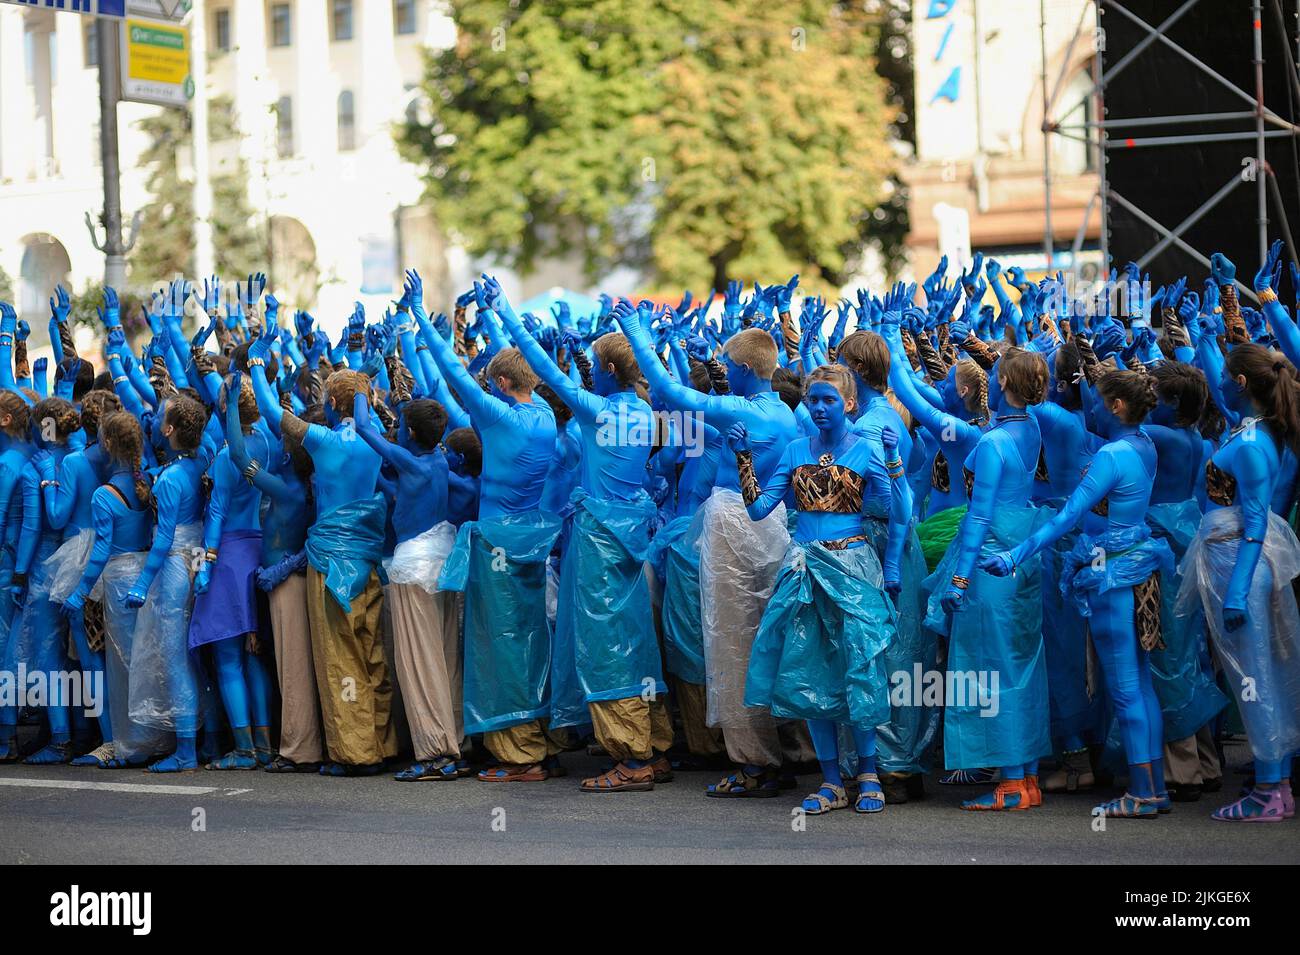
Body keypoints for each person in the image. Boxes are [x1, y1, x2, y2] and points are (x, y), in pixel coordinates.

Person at [616, 296, 803, 797]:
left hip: (734, 527)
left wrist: (637, 332)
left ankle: (755, 763)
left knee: (730, 643)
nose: (726, 372)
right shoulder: (787, 414)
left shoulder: (741, 411)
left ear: (744, 369)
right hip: (772, 524)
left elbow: (669, 391)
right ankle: (773, 754)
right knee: (765, 639)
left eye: (728, 365)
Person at [493, 282, 671, 792]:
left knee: (605, 642)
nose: (589, 369)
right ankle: (653, 747)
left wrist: (506, 313)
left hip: (599, 539)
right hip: (632, 531)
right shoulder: (644, 411)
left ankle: (632, 761)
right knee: (633, 636)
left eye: (596, 363)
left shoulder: (601, 412)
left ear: (610, 371)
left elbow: (545, 373)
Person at [984, 371, 1174, 818]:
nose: (1090, 408)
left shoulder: (1111, 455)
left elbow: (1066, 517)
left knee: (1125, 688)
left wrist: (1015, 555)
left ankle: (1143, 793)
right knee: (1141, 686)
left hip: (1113, 577)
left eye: (1099, 401)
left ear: (1118, 407)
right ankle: (1154, 787)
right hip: (1138, 567)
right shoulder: (1145, 444)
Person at [730, 364, 910, 814]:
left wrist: (892, 461)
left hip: (851, 569)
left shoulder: (866, 449)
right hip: (805, 570)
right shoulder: (794, 450)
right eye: (814, 400)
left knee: (860, 668)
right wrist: (743, 458)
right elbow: (757, 511)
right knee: (808, 671)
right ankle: (832, 781)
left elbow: (894, 509)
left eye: (830, 400)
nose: (821, 408)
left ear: (849, 403)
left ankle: (868, 773)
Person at [408, 272, 563, 782]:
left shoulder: (500, 417)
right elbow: (521, 363)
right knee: (529, 639)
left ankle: (521, 757)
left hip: (498, 542)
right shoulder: (543, 413)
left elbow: (452, 371)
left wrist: (420, 319)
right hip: (530, 541)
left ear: (498, 386)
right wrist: (498, 317)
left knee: (501, 644)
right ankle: (536, 739)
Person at [247, 332, 396, 776]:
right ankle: (381, 745)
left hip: (331, 562)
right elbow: (375, 390)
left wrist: (256, 366)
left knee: (340, 658)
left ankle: (355, 753)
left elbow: (275, 414)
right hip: (366, 559)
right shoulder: (377, 437)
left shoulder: (324, 442)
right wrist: (371, 367)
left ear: (331, 404)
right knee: (371, 653)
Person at [926, 344, 1054, 812]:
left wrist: (958, 580)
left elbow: (978, 518)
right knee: (1021, 666)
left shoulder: (993, 443)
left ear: (1002, 383)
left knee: (990, 670)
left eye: (994, 371)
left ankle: (1012, 784)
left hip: (990, 565)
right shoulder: (1031, 428)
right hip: (1023, 556)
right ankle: (1026, 777)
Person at [1177, 337, 1300, 822]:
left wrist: (1237, 589)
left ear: (1242, 383)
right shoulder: (1247, 430)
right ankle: (1277, 786)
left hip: (1241, 566)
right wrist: (1202, 335)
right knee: (1258, 675)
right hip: (1231, 561)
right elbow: (1217, 379)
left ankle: (1270, 790)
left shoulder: (1250, 445)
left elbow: (1254, 525)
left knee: (1256, 679)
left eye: (1227, 376)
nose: (1218, 383)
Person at [60, 413, 166, 766]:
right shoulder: (146, 483)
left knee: (118, 665)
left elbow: (101, 550)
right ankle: (154, 736)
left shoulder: (104, 495)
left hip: (118, 581)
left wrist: (79, 592)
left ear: (107, 444)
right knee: (146, 660)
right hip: (146, 580)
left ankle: (123, 744)